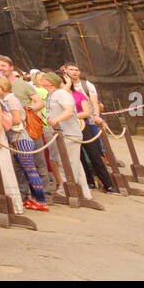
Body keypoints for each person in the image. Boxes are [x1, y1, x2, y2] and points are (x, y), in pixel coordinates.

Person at [0, 75, 43, 210]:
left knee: (30, 170)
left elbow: (17, 119)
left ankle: (41, 200)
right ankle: (34, 198)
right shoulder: (3, 99)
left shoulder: (11, 99)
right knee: (22, 170)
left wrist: (2, 120)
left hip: (21, 138)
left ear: (4, 86)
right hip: (15, 139)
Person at [37, 71, 92, 200]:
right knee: (74, 164)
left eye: (44, 78)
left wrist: (57, 119)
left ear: (50, 82)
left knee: (68, 163)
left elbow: (69, 111)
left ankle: (65, 191)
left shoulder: (62, 94)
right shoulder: (52, 94)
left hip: (69, 133)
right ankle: (84, 193)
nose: (41, 79)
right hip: (60, 134)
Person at [63, 64, 115, 193]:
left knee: (95, 153)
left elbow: (92, 104)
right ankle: (89, 181)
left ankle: (107, 183)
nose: (74, 72)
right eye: (71, 70)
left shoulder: (85, 88)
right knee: (79, 156)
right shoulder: (61, 91)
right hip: (69, 128)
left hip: (87, 123)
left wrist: (96, 115)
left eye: (76, 70)